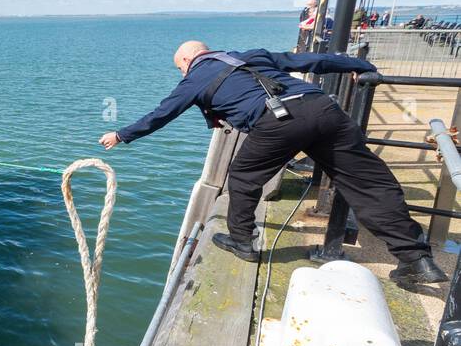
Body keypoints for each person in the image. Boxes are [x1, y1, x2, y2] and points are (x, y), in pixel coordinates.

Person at [98, 40, 447, 288]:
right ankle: (416, 259)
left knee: (243, 177)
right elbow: (311, 60)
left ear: (189, 61)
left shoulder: (194, 79)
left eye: (180, 67)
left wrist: (121, 135)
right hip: (323, 109)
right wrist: (359, 65)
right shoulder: (250, 55)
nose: (182, 72)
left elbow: (161, 114)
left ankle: (242, 241)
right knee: (367, 184)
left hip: (278, 122)